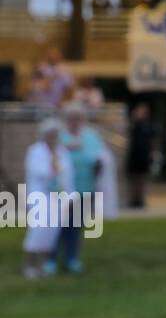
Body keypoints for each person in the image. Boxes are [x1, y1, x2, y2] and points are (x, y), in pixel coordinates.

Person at [52, 102, 109, 274]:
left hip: (85, 189)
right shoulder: (59, 137)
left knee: (76, 226)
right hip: (62, 190)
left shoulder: (91, 136)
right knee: (58, 226)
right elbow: (51, 157)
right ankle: (52, 259)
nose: (75, 122)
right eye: (71, 118)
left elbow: (100, 157)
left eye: (78, 118)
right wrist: (66, 149)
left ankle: (72, 258)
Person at [22, 119, 72, 279]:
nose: (53, 137)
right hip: (39, 196)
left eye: (56, 134)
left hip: (57, 198)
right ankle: (29, 266)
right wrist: (54, 166)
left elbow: (68, 175)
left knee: (51, 232)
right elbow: (39, 171)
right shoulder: (35, 151)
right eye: (50, 134)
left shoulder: (63, 152)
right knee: (37, 230)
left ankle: (44, 266)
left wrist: (70, 195)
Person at [125, 102, 154, 209]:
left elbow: (151, 141)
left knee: (141, 179)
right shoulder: (134, 124)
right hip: (134, 155)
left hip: (143, 156)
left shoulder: (148, 126)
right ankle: (134, 199)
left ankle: (140, 199)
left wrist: (151, 154)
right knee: (134, 179)